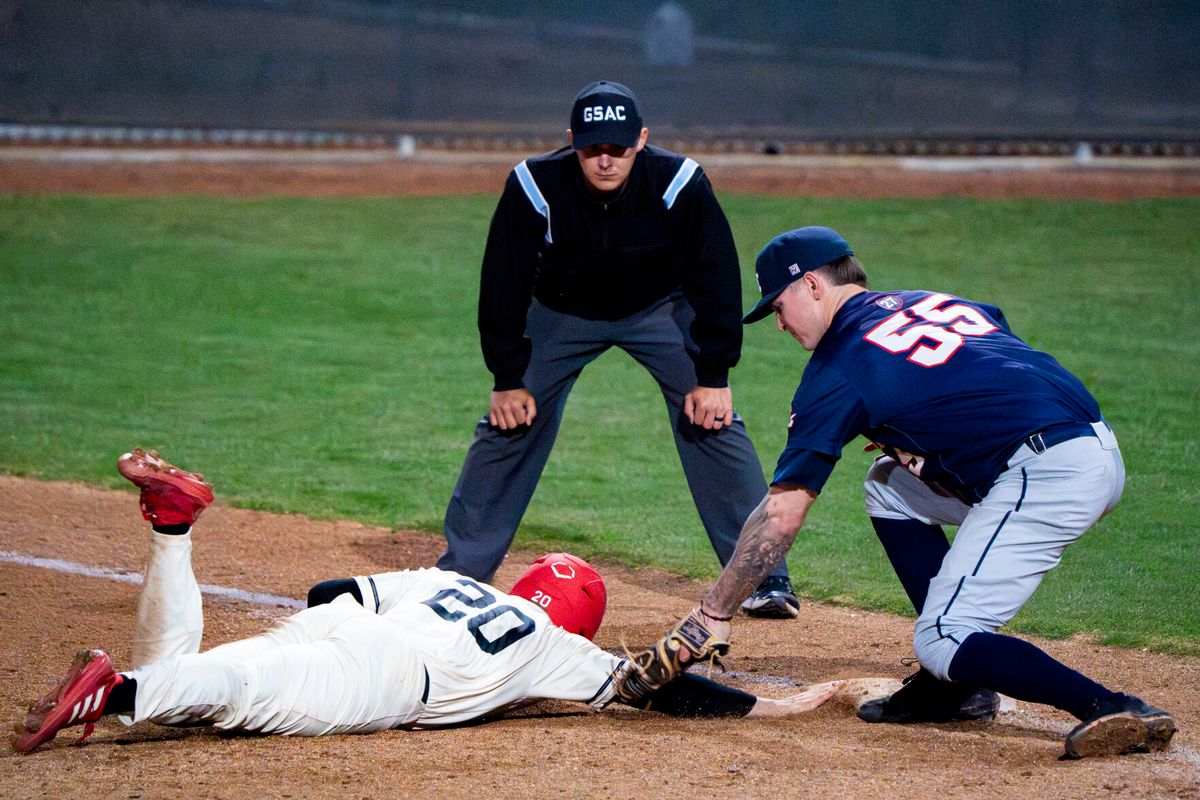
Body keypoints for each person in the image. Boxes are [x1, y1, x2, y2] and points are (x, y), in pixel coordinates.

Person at [616, 227, 1178, 759]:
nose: (780, 326)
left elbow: (781, 516)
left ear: (812, 284)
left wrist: (713, 612)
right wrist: (922, 433)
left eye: (779, 308)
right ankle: (948, 690)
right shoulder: (933, 301)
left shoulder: (839, 366)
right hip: (1093, 448)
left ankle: (1112, 706)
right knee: (891, 485)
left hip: (1048, 475)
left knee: (943, 636)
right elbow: (991, 357)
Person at [13, 449, 840, 754]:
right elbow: (654, 689)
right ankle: (114, 692)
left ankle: (171, 530)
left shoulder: (456, 583)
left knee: (206, 678)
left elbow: (328, 592)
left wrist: (353, 617)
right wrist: (773, 712)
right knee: (234, 699)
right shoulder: (558, 649)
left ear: (524, 586)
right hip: (391, 678)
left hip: (350, 624)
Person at [438, 80, 797, 618]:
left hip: (660, 308)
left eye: (619, 148)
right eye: (592, 148)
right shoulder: (534, 184)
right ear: (571, 141)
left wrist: (714, 375)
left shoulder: (678, 181)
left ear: (643, 140)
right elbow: (503, 282)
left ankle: (763, 578)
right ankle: (462, 572)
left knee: (713, 418)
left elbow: (716, 277)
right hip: (560, 313)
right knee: (512, 418)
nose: (605, 160)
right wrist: (507, 377)